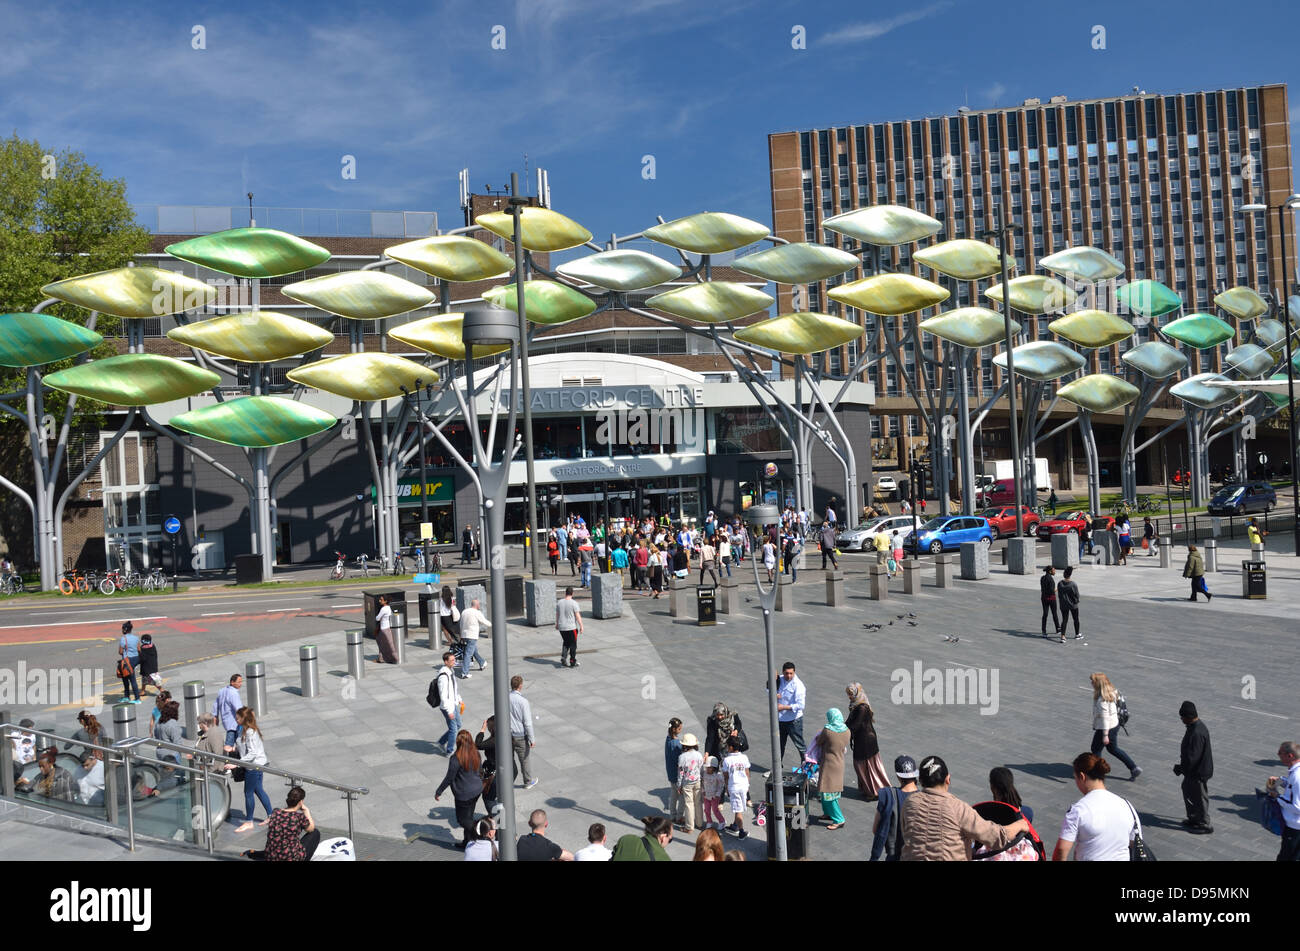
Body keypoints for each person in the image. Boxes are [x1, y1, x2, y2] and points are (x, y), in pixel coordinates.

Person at [900, 755, 1029, 861]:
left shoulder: (909, 803)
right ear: (948, 779)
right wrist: (1020, 824)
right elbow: (996, 837)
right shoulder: (959, 808)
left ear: (921, 781)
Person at [1052, 753, 1139, 861]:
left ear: (1082, 777)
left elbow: (1062, 850)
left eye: (1075, 778)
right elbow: (1134, 844)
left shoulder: (1078, 810)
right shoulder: (1127, 806)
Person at [225, 706, 273, 833]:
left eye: (238, 717)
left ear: (243, 718)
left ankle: (249, 821)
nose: (236, 719)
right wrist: (234, 749)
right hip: (253, 765)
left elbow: (252, 753)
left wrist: (236, 764)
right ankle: (271, 816)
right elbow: (243, 746)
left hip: (253, 766)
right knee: (258, 790)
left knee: (248, 793)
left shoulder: (251, 732)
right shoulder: (243, 730)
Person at [243, 786, 320, 862]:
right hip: (291, 858)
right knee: (315, 833)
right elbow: (311, 829)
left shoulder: (275, 812)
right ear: (301, 802)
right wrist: (306, 811)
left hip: (271, 857)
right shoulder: (299, 817)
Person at [435, 730, 484, 849]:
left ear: (458, 742)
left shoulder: (456, 759)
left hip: (464, 793)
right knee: (469, 815)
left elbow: (449, 778)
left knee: (462, 819)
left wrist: (439, 791)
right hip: (477, 789)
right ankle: (467, 841)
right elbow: (480, 771)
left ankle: (481, 830)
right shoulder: (476, 753)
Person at [1090, 673, 1140, 779]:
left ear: (1098, 683)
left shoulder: (1102, 700)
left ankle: (1098, 773)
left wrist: (1105, 735)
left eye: (1093, 681)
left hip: (1106, 727)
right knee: (1113, 749)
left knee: (1096, 749)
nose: (1091, 683)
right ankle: (1134, 768)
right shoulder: (1112, 691)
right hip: (1115, 724)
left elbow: (1105, 718)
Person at [1175, 700, 1214, 834]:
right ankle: (1193, 817)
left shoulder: (1197, 732)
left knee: (1199, 796)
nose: (1181, 719)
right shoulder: (1194, 727)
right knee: (1187, 790)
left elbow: (1193, 757)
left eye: (1182, 717)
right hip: (1192, 771)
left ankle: (1204, 823)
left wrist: (1181, 768)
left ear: (1188, 717)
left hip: (1198, 772)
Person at [871, 754, 918, 861]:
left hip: (895, 855)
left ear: (898, 776)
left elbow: (876, 829)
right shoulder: (925, 798)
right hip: (916, 854)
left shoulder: (888, 795)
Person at [845, 684, 888, 799]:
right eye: (848, 694)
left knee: (864, 766)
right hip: (862, 739)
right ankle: (868, 789)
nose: (849, 696)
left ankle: (873, 792)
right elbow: (849, 721)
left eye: (850, 694)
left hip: (866, 741)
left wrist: (842, 731)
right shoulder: (856, 705)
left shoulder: (862, 707)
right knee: (865, 766)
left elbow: (855, 725)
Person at [813, 708, 850, 830]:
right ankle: (828, 813)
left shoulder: (828, 730)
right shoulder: (847, 730)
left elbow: (819, 742)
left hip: (829, 765)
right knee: (827, 791)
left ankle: (839, 819)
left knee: (828, 793)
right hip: (839, 764)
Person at [1267, 741, 1300, 861]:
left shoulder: (1297, 776)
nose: (1278, 754)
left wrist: (1276, 796)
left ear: (1290, 756)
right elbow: (1294, 789)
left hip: (1295, 828)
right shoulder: (1295, 772)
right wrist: (1282, 781)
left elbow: (1297, 807)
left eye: (1280, 752)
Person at [509, 675, 538, 790]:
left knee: (508, 759)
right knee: (524, 760)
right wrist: (532, 739)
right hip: (520, 735)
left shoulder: (505, 697)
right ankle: (527, 781)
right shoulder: (523, 702)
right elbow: (527, 723)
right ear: (520, 686)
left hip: (507, 734)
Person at [774, 662, 806, 763]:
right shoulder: (780, 679)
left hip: (794, 721)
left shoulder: (798, 685)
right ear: (783, 672)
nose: (789, 676)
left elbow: (801, 705)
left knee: (800, 745)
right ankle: (776, 768)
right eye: (787, 673)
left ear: (794, 672)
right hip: (780, 720)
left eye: (791, 673)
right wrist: (773, 694)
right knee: (779, 745)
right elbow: (768, 688)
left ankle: (807, 767)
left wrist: (783, 707)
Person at [721, 736, 751, 839]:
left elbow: (726, 776)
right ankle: (734, 826)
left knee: (738, 811)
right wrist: (747, 786)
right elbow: (747, 773)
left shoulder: (727, 760)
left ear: (731, 747)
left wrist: (727, 788)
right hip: (744, 786)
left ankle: (741, 832)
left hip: (734, 787)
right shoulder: (744, 757)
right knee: (739, 807)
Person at [676, 732, 705, 834]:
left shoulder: (682, 757)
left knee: (689, 804)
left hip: (687, 783)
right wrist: (702, 780)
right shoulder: (699, 755)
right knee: (698, 803)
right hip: (697, 781)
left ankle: (689, 827)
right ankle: (700, 823)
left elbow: (680, 773)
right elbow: (702, 769)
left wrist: (679, 785)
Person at [434, 652, 461, 756]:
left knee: (458, 725)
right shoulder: (443, 677)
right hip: (447, 707)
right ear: (446, 662)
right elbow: (443, 695)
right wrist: (449, 711)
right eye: (452, 660)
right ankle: (449, 750)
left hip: (453, 704)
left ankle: (441, 742)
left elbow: (453, 689)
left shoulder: (451, 671)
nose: (454, 662)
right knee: (454, 728)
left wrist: (458, 699)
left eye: (454, 660)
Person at [457, 597, 490, 678]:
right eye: (479, 604)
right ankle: (465, 673)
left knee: (473, 650)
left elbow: (461, 623)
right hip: (472, 635)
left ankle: (482, 663)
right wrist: (493, 624)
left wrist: (461, 635)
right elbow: (484, 621)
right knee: (468, 654)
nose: (479, 606)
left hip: (465, 635)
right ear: (477, 605)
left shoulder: (464, 611)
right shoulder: (476, 612)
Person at [555, 586, 583, 669]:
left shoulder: (559, 602)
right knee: (573, 644)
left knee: (566, 642)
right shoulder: (574, 603)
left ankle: (563, 657)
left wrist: (557, 624)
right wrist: (581, 626)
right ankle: (572, 660)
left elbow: (557, 614)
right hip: (571, 628)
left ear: (565, 593)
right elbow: (577, 616)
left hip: (561, 627)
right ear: (572, 593)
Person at [213, 674, 243, 747]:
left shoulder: (222, 691)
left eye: (241, 682)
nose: (241, 684)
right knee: (235, 742)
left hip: (226, 722)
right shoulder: (233, 693)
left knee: (232, 740)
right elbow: (239, 708)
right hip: (235, 722)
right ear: (232, 682)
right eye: (239, 682)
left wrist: (215, 716)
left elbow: (215, 704)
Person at [664, 717, 684, 822]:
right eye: (680, 728)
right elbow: (679, 760)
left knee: (673, 794)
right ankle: (679, 816)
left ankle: (672, 815)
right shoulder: (676, 743)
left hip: (670, 772)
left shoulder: (668, 739)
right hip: (677, 774)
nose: (681, 730)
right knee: (681, 796)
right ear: (675, 729)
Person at [117, 621, 141, 703]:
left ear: (125, 629)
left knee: (131, 678)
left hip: (128, 660)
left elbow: (120, 652)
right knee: (125, 677)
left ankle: (137, 698)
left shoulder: (123, 638)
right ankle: (126, 696)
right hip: (136, 658)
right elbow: (139, 649)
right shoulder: (136, 638)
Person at [1056, 566, 1081, 640]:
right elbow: (1077, 595)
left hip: (1063, 605)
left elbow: (1059, 594)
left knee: (1064, 620)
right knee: (1076, 619)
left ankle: (1063, 636)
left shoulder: (1060, 583)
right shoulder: (1073, 584)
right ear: (1070, 575)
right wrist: (1076, 601)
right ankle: (1077, 634)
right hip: (1073, 605)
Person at [701, 756, 726, 831]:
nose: (707, 769)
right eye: (707, 767)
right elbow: (702, 783)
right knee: (706, 810)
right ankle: (709, 822)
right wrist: (703, 791)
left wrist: (718, 794)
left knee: (715, 810)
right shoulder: (704, 774)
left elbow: (721, 786)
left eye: (710, 767)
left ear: (714, 768)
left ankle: (722, 821)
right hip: (706, 795)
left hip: (715, 796)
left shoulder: (718, 775)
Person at [373, 595, 397, 664]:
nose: (379, 601)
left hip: (383, 629)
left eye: (381, 599)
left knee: (382, 643)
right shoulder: (389, 608)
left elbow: (377, 618)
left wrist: (379, 617)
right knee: (383, 643)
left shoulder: (383, 609)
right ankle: (381, 658)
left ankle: (392, 658)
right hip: (387, 628)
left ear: (385, 601)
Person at [1040, 566, 1060, 639]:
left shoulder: (1042, 578)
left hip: (1044, 598)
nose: (1055, 571)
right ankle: (1058, 628)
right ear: (1050, 571)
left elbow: (1043, 588)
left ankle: (1043, 631)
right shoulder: (1051, 579)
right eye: (1054, 570)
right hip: (1051, 598)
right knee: (1054, 613)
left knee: (1045, 614)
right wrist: (1058, 589)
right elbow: (1052, 591)